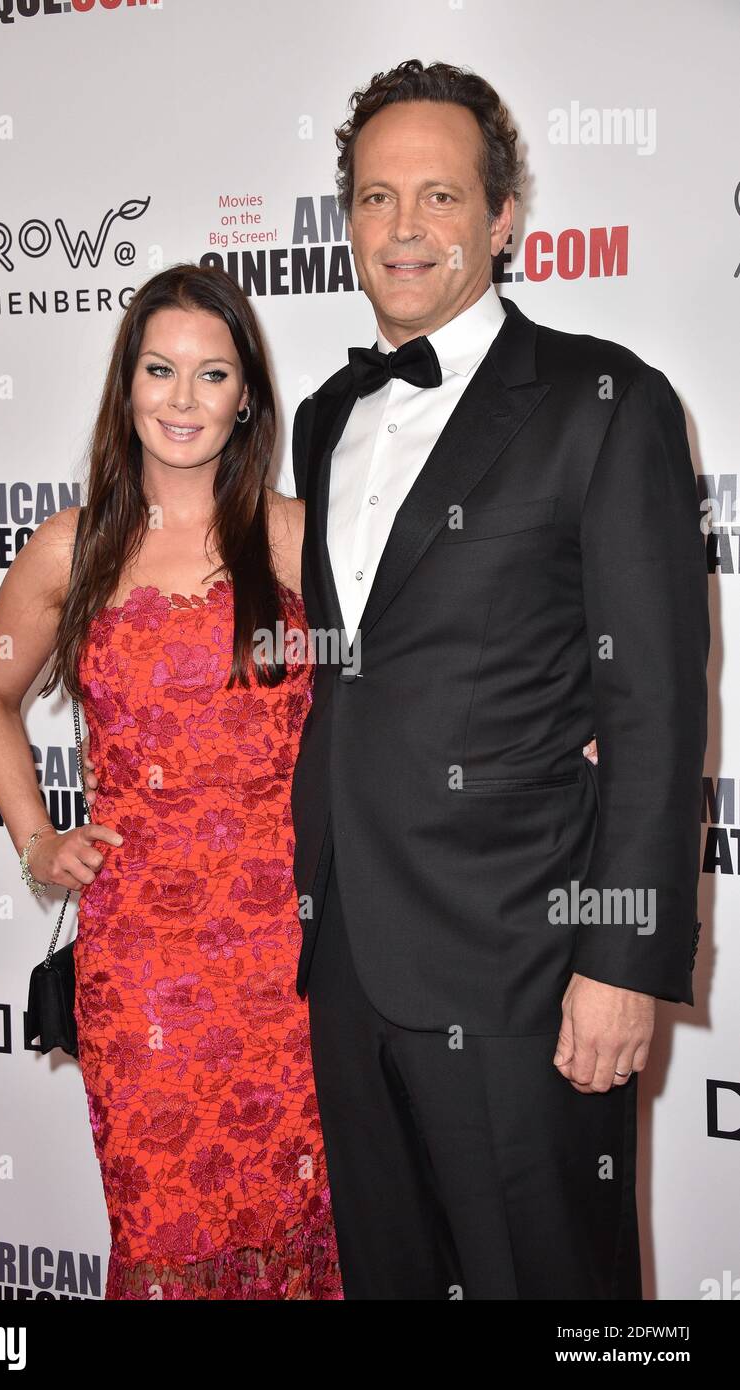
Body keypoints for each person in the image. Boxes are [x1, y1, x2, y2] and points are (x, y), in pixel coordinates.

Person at [288, 60, 709, 1299]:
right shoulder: (325, 416)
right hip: (348, 951)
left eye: (438, 196)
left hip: (527, 968)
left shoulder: (605, 400)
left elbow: (656, 706)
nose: (403, 229)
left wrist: (624, 963)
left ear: (503, 218)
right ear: (346, 219)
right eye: (374, 197)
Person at [0, 264, 343, 1300]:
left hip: (292, 950)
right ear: (125, 386)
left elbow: (415, 678)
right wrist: (37, 840)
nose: (182, 400)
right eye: (159, 371)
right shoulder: (70, 546)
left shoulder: (301, 537)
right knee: (166, 1225)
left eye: (211, 374)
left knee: (308, 1224)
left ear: (247, 394)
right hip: (142, 962)